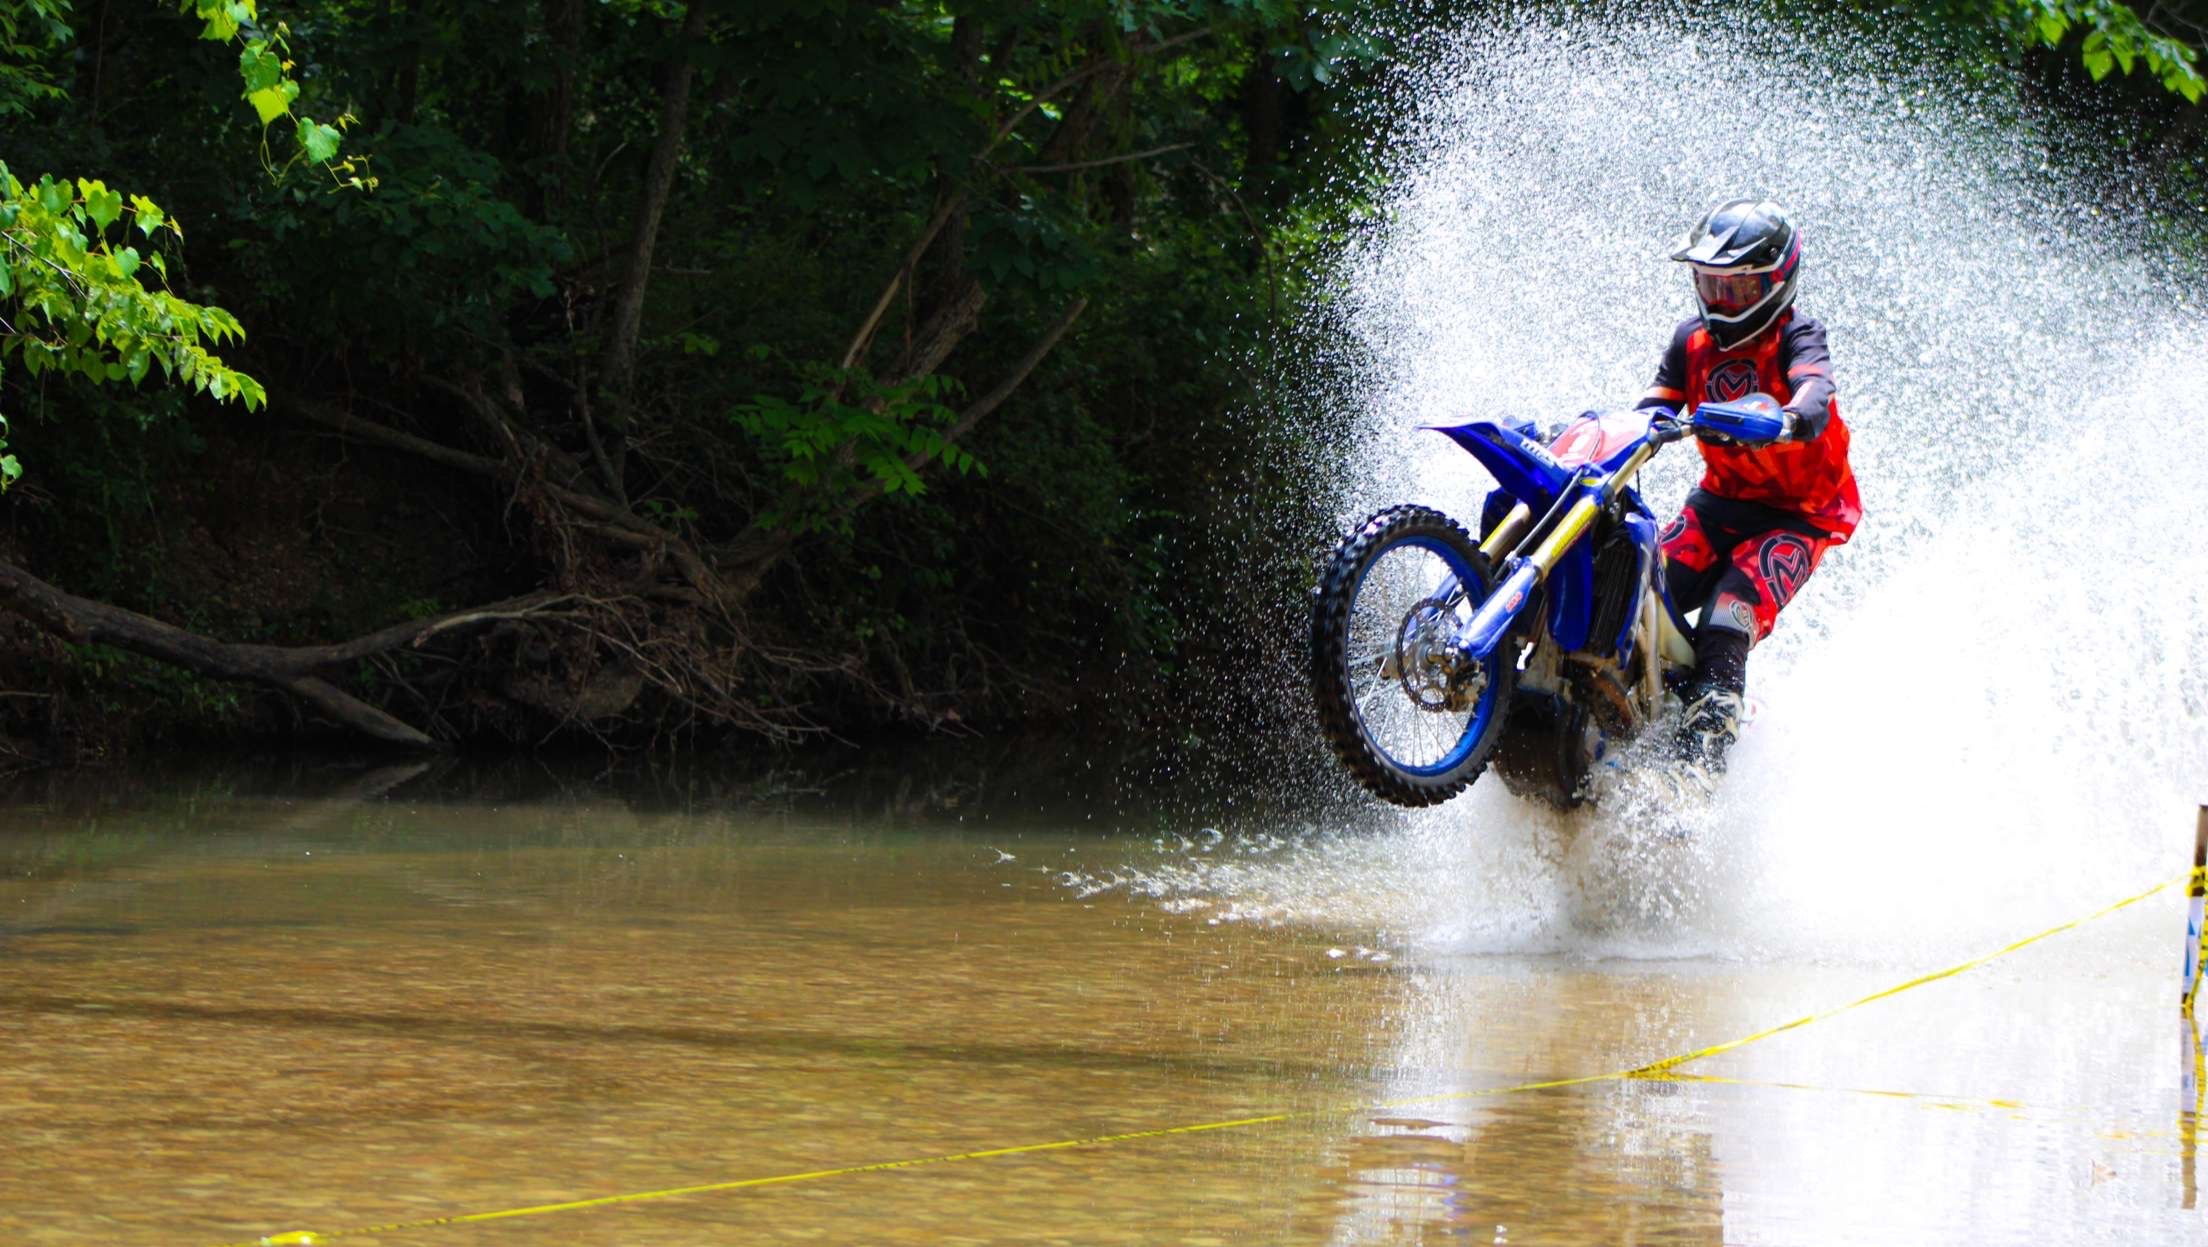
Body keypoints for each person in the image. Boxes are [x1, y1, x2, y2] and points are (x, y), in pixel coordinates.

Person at [1636, 198, 1861, 779]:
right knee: (1636, 576)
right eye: (1709, 285)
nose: (1719, 301)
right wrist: (1606, 432)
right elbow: (1653, 407)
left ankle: (1701, 762)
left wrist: (1786, 418)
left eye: (1735, 290)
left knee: (1729, 613)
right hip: (1718, 504)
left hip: (1797, 515)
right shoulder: (1689, 341)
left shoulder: (1798, 334)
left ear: (1775, 285)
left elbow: (1815, 393)